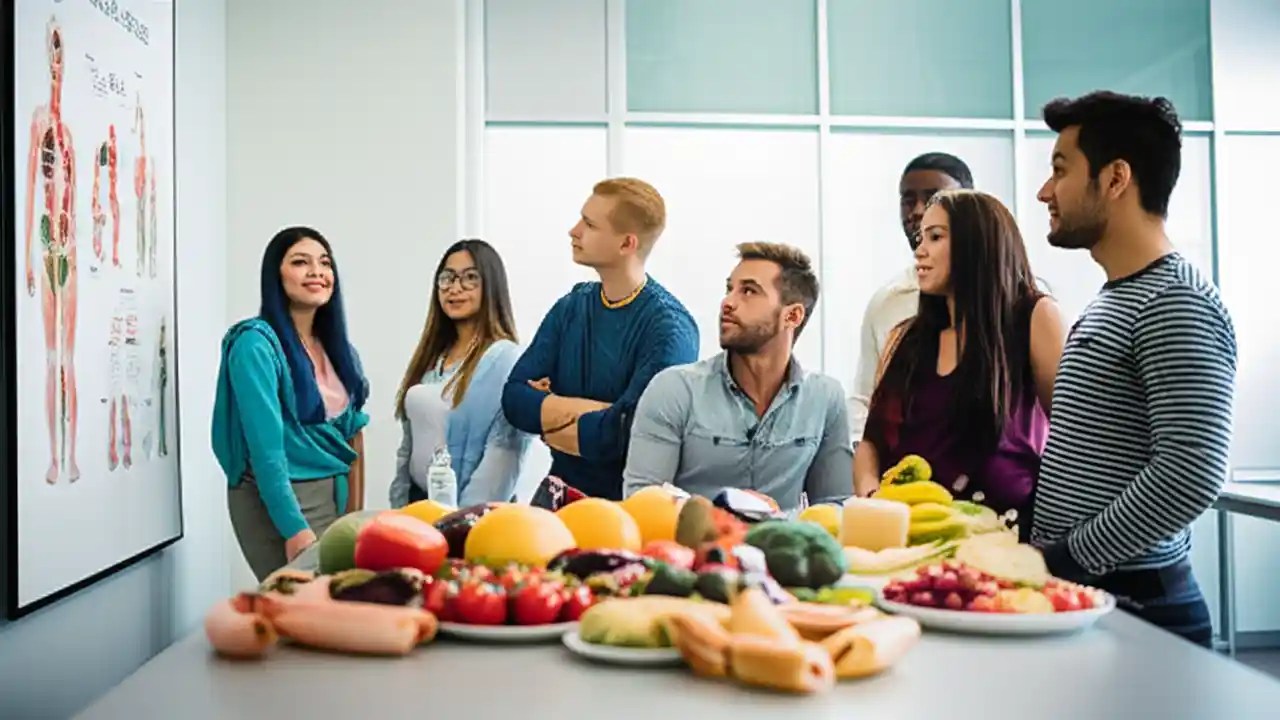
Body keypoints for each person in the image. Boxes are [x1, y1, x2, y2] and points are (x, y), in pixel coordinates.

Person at [1030, 91, 1236, 647]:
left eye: (1059, 169)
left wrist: (1064, 557)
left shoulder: (1176, 300)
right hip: (1095, 592)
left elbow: (1192, 471)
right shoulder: (1117, 297)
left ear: (1116, 178)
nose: (1045, 191)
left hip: (1140, 604)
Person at [854, 190, 1065, 526]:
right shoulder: (906, 338)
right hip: (912, 536)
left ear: (978, 243)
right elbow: (871, 443)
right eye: (920, 237)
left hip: (1011, 540)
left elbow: (1074, 433)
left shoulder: (1036, 316)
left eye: (936, 237)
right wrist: (870, 498)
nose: (919, 251)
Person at [502, 177, 699, 500]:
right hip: (560, 495)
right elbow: (513, 400)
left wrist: (548, 418)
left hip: (629, 508)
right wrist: (601, 413)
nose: (574, 230)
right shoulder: (572, 306)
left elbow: (627, 434)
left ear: (626, 244)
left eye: (590, 224)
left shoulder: (670, 328)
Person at [623, 242, 853, 511]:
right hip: (693, 549)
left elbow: (835, 507)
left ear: (792, 315)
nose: (728, 302)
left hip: (781, 548)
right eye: (729, 289)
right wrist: (734, 510)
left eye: (748, 291)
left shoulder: (826, 398)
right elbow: (642, 500)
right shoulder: (674, 389)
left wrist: (777, 520)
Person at [212, 227, 370, 581]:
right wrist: (293, 528)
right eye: (301, 262)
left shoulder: (341, 352)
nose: (316, 271)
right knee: (300, 609)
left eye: (324, 263)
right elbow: (266, 451)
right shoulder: (254, 345)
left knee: (338, 601)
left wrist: (353, 518)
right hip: (276, 496)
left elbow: (353, 436)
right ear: (275, 275)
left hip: (334, 493)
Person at [390, 239, 530, 508]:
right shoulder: (433, 356)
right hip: (420, 507)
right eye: (447, 278)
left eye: (470, 279)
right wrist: (399, 510)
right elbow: (408, 446)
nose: (455, 288)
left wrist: (464, 522)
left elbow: (505, 453)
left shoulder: (504, 359)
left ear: (491, 286)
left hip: (468, 515)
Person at [847, 154, 975, 445]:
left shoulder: (1022, 302)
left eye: (932, 199)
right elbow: (866, 398)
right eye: (908, 200)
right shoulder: (888, 303)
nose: (917, 211)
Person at [23, 16, 81, 484]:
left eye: (63, 49)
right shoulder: (39, 121)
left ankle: (71, 456)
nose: (58, 59)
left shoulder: (70, 138)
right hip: (47, 250)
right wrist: (26, 255)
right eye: (54, 48)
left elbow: (77, 200)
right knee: (51, 357)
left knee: (69, 356)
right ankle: (54, 457)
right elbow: (29, 189)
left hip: (70, 249)